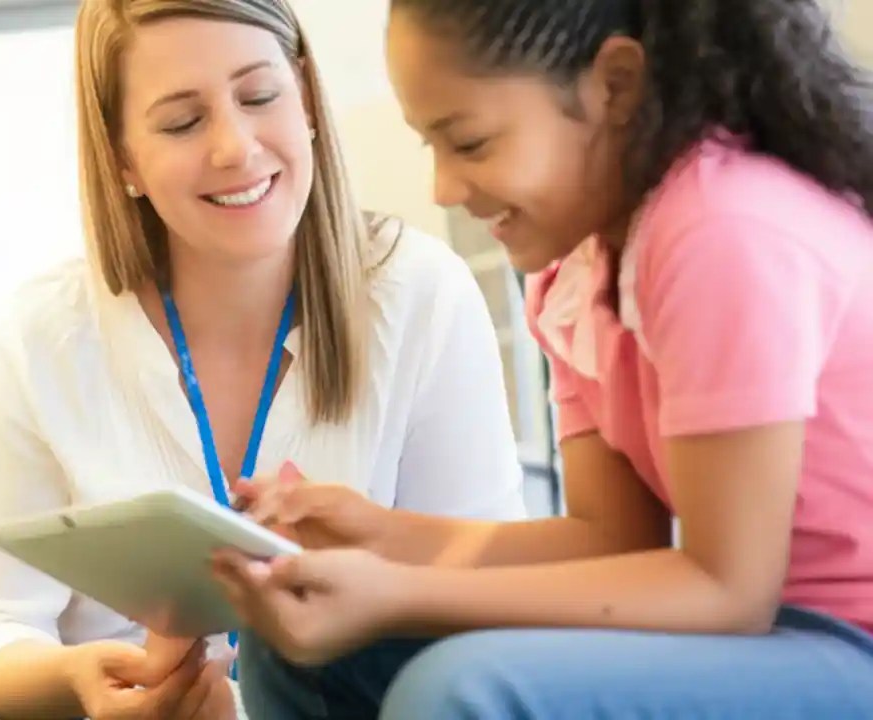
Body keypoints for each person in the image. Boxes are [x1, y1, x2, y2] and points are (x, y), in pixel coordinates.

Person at [214, 0, 873, 717]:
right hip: (764, 634)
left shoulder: (722, 230)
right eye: (431, 146)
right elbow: (610, 542)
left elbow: (729, 591)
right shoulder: (577, 273)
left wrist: (398, 591)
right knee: (299, 649)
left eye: (469, 143)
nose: (443, 188)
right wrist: (382, 537)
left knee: (466, 688)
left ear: (614, 87)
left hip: (844, 642)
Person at [0, 0, 529, 717]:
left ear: (306, 98)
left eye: (259, 96)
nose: (235, 147)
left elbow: (485, 601)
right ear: (122, 158)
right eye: (182, 122)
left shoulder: (421, 294)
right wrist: (79, 680)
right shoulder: (42, 337)